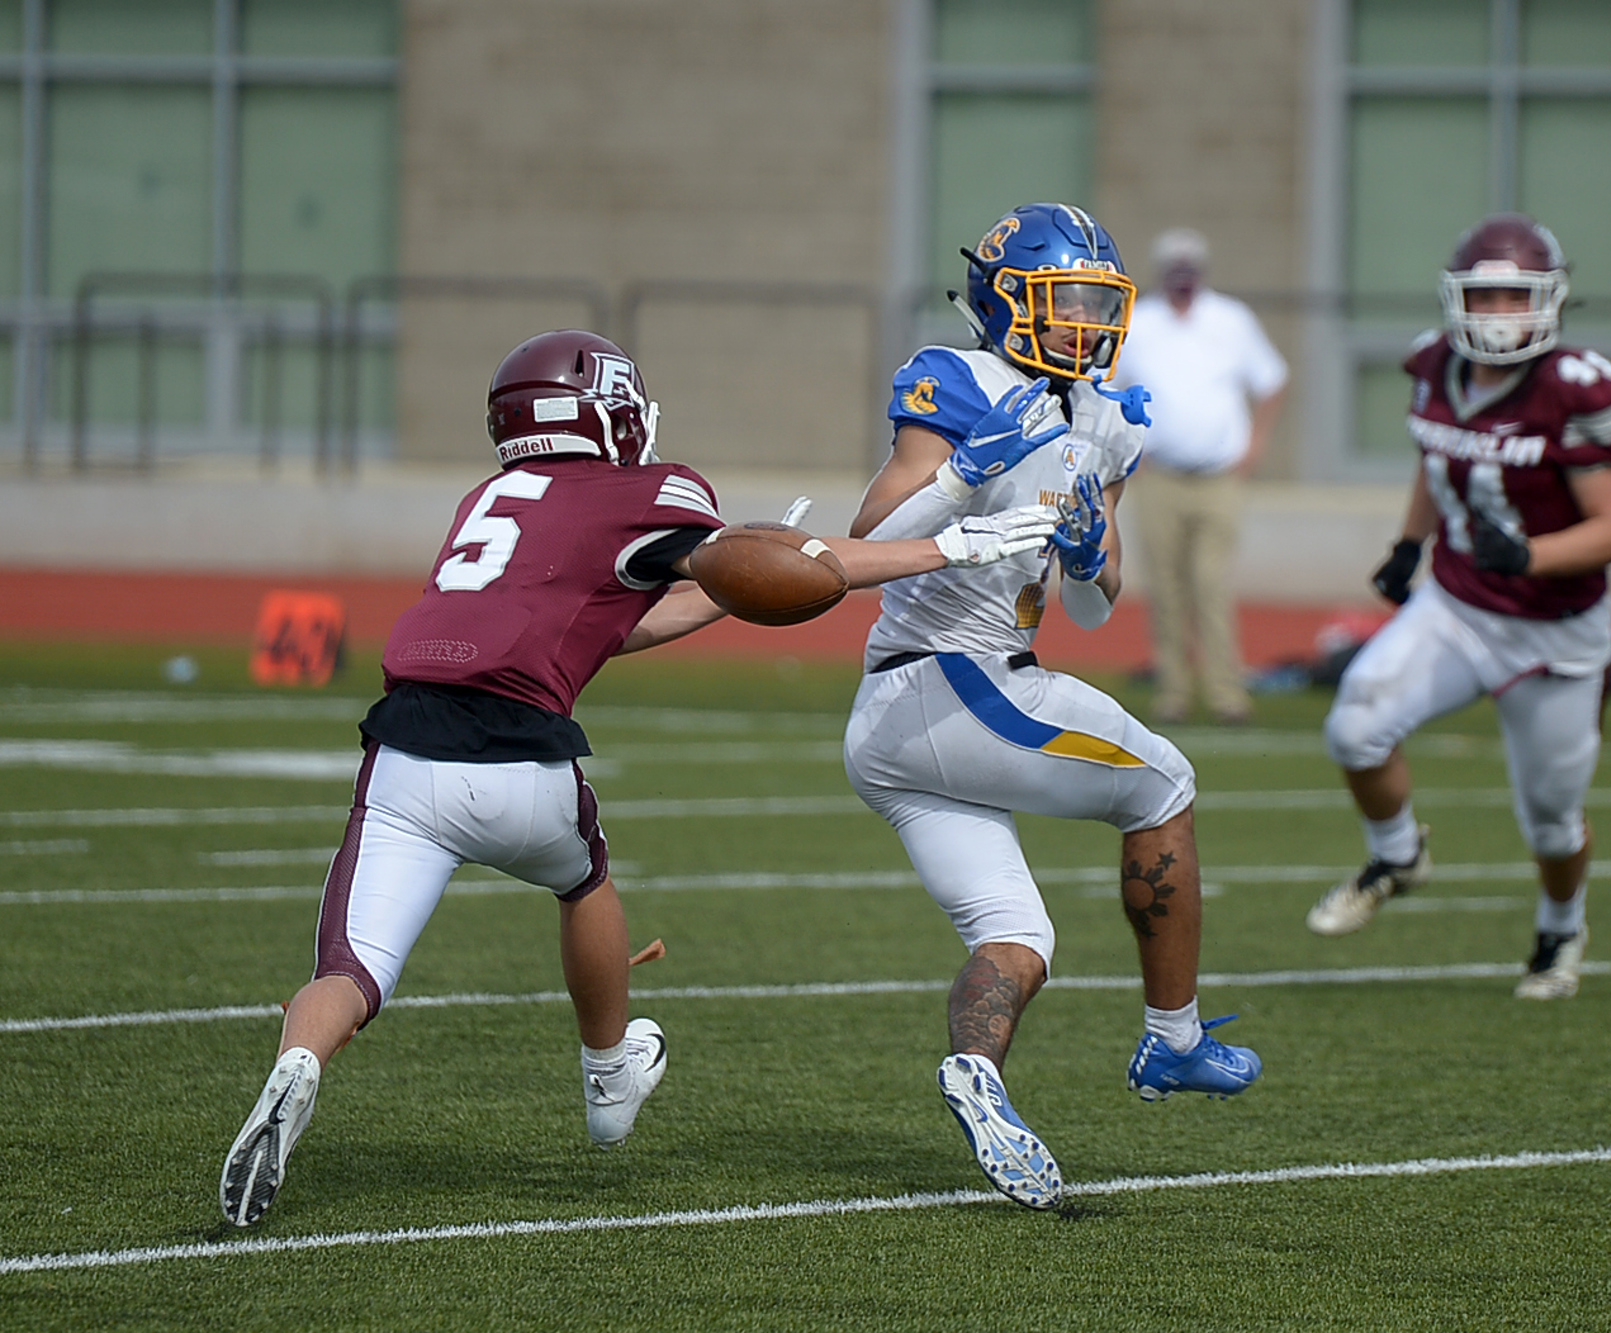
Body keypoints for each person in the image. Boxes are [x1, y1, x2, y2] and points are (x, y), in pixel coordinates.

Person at [219, 329, 1057, 1228]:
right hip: (522, 759)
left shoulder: (489, 497)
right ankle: (609, 1067)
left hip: (401, 754)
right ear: (607, 409)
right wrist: (950, 546)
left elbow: (619, 620)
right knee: (582, 878)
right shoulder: (651, 490)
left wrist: (747, 576)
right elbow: (792, 566)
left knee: (350, 969)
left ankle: (299, 1064)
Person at [843, 202, 1262, 1211]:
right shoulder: (959, 381)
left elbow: (1088, 596)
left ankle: (975, 1075)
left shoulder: (1109, 416)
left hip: (920, 712)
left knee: (1016, 938)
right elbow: (866, 538)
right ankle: (1172, 1041)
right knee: (1162, 781)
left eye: (1093, 302)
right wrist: (961, 473)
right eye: (1058, 300)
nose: (1080, 322)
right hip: (943, 672)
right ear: (1003, 302)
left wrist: (1084, 551)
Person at [1304, 214, 1611, 1002]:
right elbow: (1441, 455)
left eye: (1514, 297)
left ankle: (1562, 927)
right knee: (1355, 724)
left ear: (1549, 302)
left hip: (1555, 630)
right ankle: (1398, 854)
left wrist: (1532, 555)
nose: (1497, 315)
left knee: (1552, 820)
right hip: (1459, 604)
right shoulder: (1434, 365)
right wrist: (1409, 542)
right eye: (1484, 296)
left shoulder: (1577, 386)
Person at [1114, 228, 1288, 724]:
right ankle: (1173, 692)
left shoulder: (1230, 320)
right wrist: (1132, 451)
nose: (1182, 277)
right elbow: (1108, 387)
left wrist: (1254, 446)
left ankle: (1226, 693)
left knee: (1211, 584)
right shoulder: (1140, 322)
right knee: (1166, 588)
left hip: (1218, 478)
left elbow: (1272, 380)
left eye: (1190, 268)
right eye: (1175, 268)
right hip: (1160, 477)